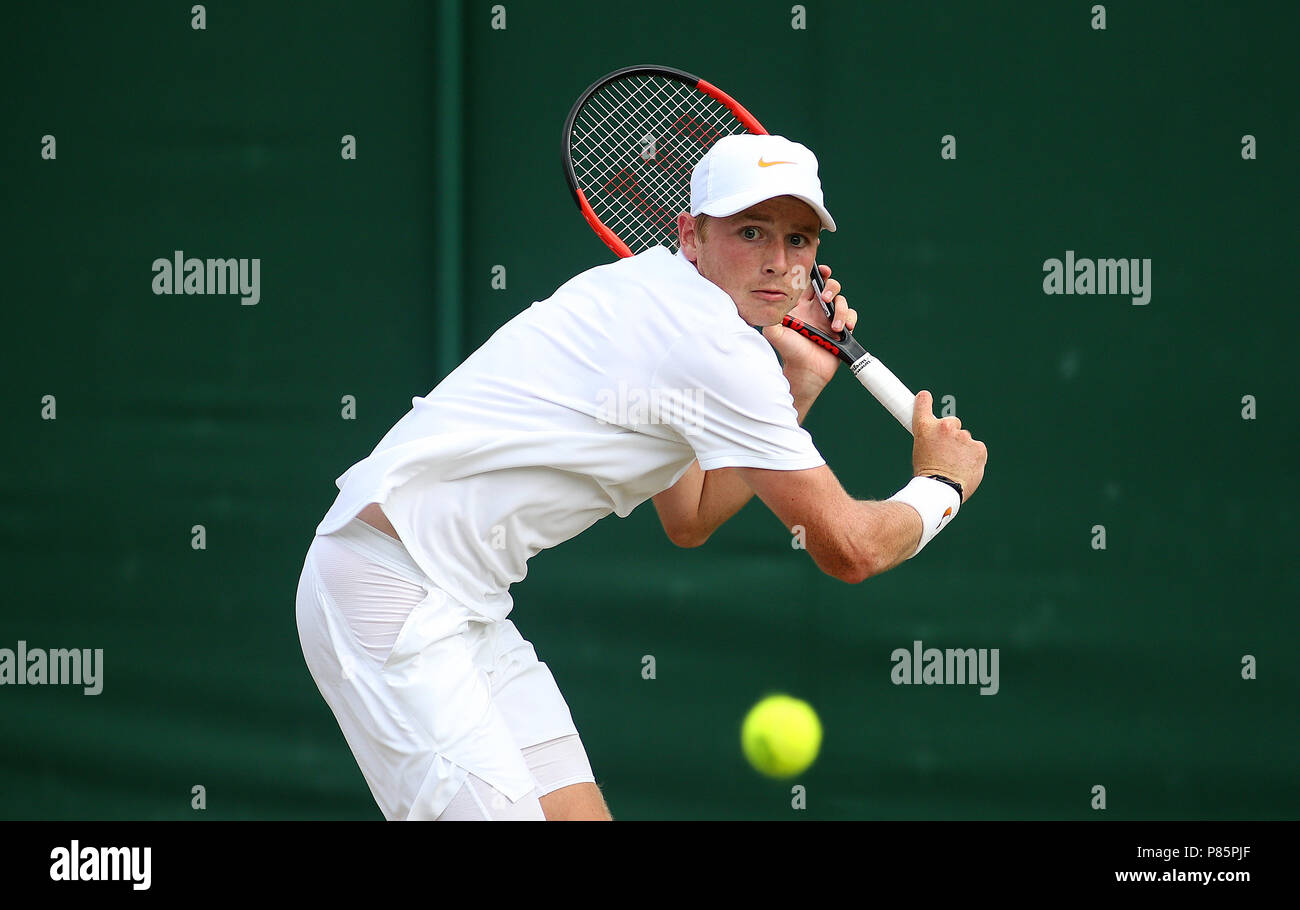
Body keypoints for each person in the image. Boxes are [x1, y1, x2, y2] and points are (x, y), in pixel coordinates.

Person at [295, 133, 987, 821]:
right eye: (752, 232)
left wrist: (798, 380)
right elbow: (850, 549)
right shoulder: (712, 345)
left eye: (800, 240)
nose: (780, 264)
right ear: (692, 235)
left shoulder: (666, 301)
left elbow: (689, 517)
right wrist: (940, 487)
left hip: (465, 601)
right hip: (387, 591)